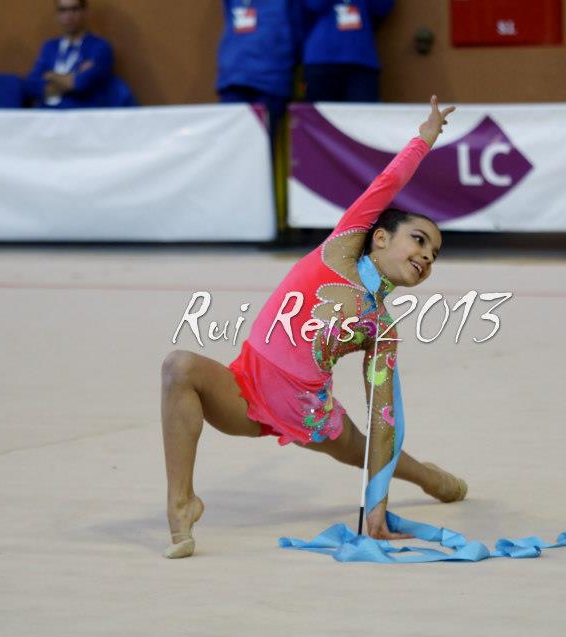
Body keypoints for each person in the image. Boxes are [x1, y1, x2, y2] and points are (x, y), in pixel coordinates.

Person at [161, 95, 464, 559]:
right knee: (179, 366)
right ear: (379, 237)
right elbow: (386, 184)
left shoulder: (381, 328)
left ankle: (432, 479)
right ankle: (181, 503)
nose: (426, 255)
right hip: (244, 391)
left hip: (311, 413)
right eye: (419, 240)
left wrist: (375, 507)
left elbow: (383, 418)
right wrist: (423, 140)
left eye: (434, 255)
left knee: (364, 447)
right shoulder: (339, 251)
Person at [216, 1, 304, 141]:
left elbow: (298, 28)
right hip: (234, 76)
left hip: (271, 78)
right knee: (231, 145)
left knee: (261, 146)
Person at [23, 0, 116, 108]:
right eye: (63, 10)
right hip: (46, 117)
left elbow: (81, 84)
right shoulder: (50, 47)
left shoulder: (100, 47)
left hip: (81, 116)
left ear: (85, 12)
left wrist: (50, 75)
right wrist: (71, 79)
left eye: (74, 9)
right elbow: (30, 85)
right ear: (57, 15)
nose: (69, 16)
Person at [301, 0, 393, 102]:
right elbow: (313, 6)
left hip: (361, 58)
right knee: (319, 115)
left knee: (362, 114)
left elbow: (381, 8)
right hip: (322, 59)